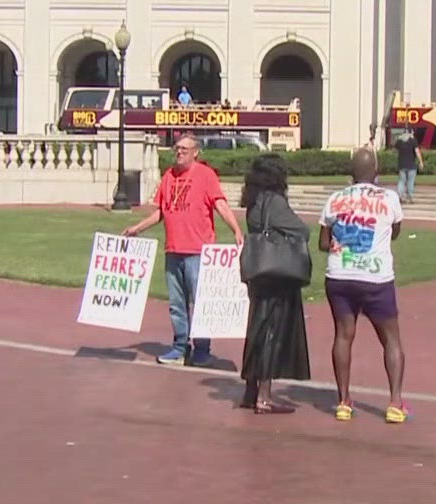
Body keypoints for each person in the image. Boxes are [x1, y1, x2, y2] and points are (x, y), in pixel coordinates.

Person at [123, 135, 242, 366]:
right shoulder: (169, 176)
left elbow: (220, 204)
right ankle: (179, 347)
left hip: (199, 251)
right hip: (173, 249)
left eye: (184, 149)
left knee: (200, 302)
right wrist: (138, 228)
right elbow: (162, 212)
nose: (179, 152)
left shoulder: (206, 176)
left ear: (196, 152)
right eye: (177, 148)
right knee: (177, 304)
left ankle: (202, 349)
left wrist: (236, 229)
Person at [320, 148, 408, 422]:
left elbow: (323, 243)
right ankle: (395, 403)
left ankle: (344, 402)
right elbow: (395, 232)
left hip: (340, 275)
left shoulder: (335, 199)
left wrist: (344, 245)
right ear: (377, 173)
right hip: (376, 278)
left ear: (351, 174)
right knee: (391, 339)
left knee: (343, 336)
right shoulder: (389, 197)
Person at [238, 153, 310, 414]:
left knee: (256, 330)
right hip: (278, 275)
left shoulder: (253, 201)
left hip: (259, 272)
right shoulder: (276, 203)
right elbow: (303, 231)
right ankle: (264, 397)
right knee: (272, 334)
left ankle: (251, 389)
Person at [394, 130, 420, 204]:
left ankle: (400, 196)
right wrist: (421, 161)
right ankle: (410, 197)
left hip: (402, 164)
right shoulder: (413, 140)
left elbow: (395, 150)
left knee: (401, 181)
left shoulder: (399, 141)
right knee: (410, 181)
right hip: (411, 164)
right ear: (410, 133)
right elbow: (417, 151)